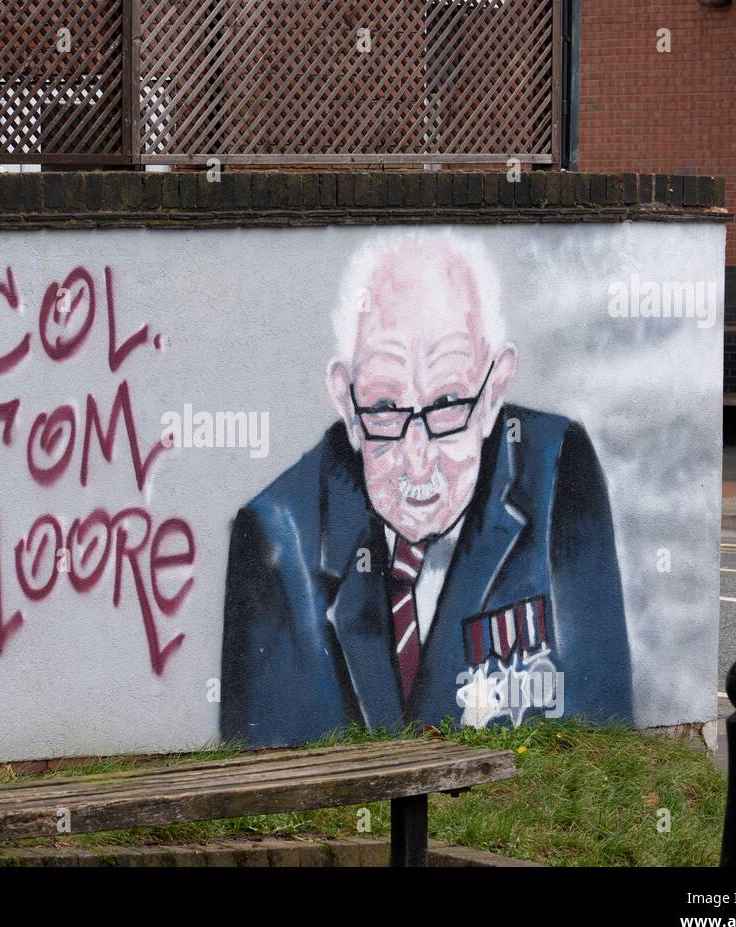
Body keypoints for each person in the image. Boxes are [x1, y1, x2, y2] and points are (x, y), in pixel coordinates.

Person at [220, 237, 633, 748]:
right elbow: (271, 772)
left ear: (493, 392)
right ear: (346, 405)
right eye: (385, 409)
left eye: (447, 404)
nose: (417, 456)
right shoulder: (277, 535)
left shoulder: (555, 471)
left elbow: (608, 737)